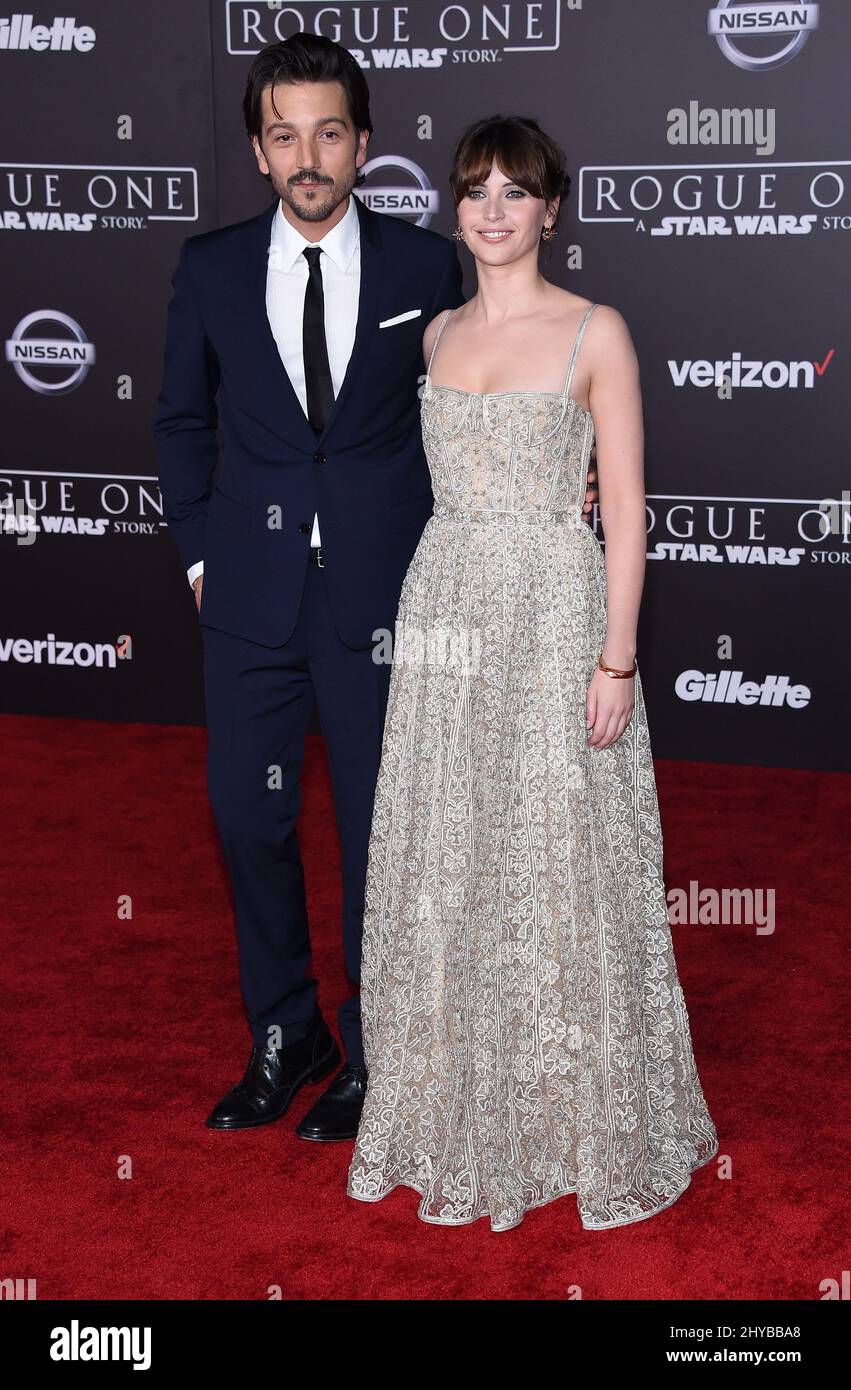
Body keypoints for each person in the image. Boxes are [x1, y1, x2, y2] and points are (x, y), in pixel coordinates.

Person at [153, 35, 603, 1143]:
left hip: (391, 599)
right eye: (284, 136)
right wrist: (203, 560)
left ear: (362, 143)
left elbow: (489, 384)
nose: (307, 157)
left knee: (383, 830)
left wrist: (560, 474)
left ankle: (377, 1047)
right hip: (248, 597)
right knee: (247, 817)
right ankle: (285, 1032)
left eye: (328, 133)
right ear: (258, 150)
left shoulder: (423, 265)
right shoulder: (209, 267)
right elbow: (181, 422)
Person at [347, 115, 718, 1230]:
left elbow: (627, 513)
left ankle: (570, 1107)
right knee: (449, 840)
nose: (493, 211)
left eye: (516, 191)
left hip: (555, 611)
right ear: (454, 208)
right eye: (475, 191)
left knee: (558, 848)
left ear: (550, 209)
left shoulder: (595, 331)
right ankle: (453, 1098)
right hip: (443, 604)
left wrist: (617, 660)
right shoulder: (435, 333)